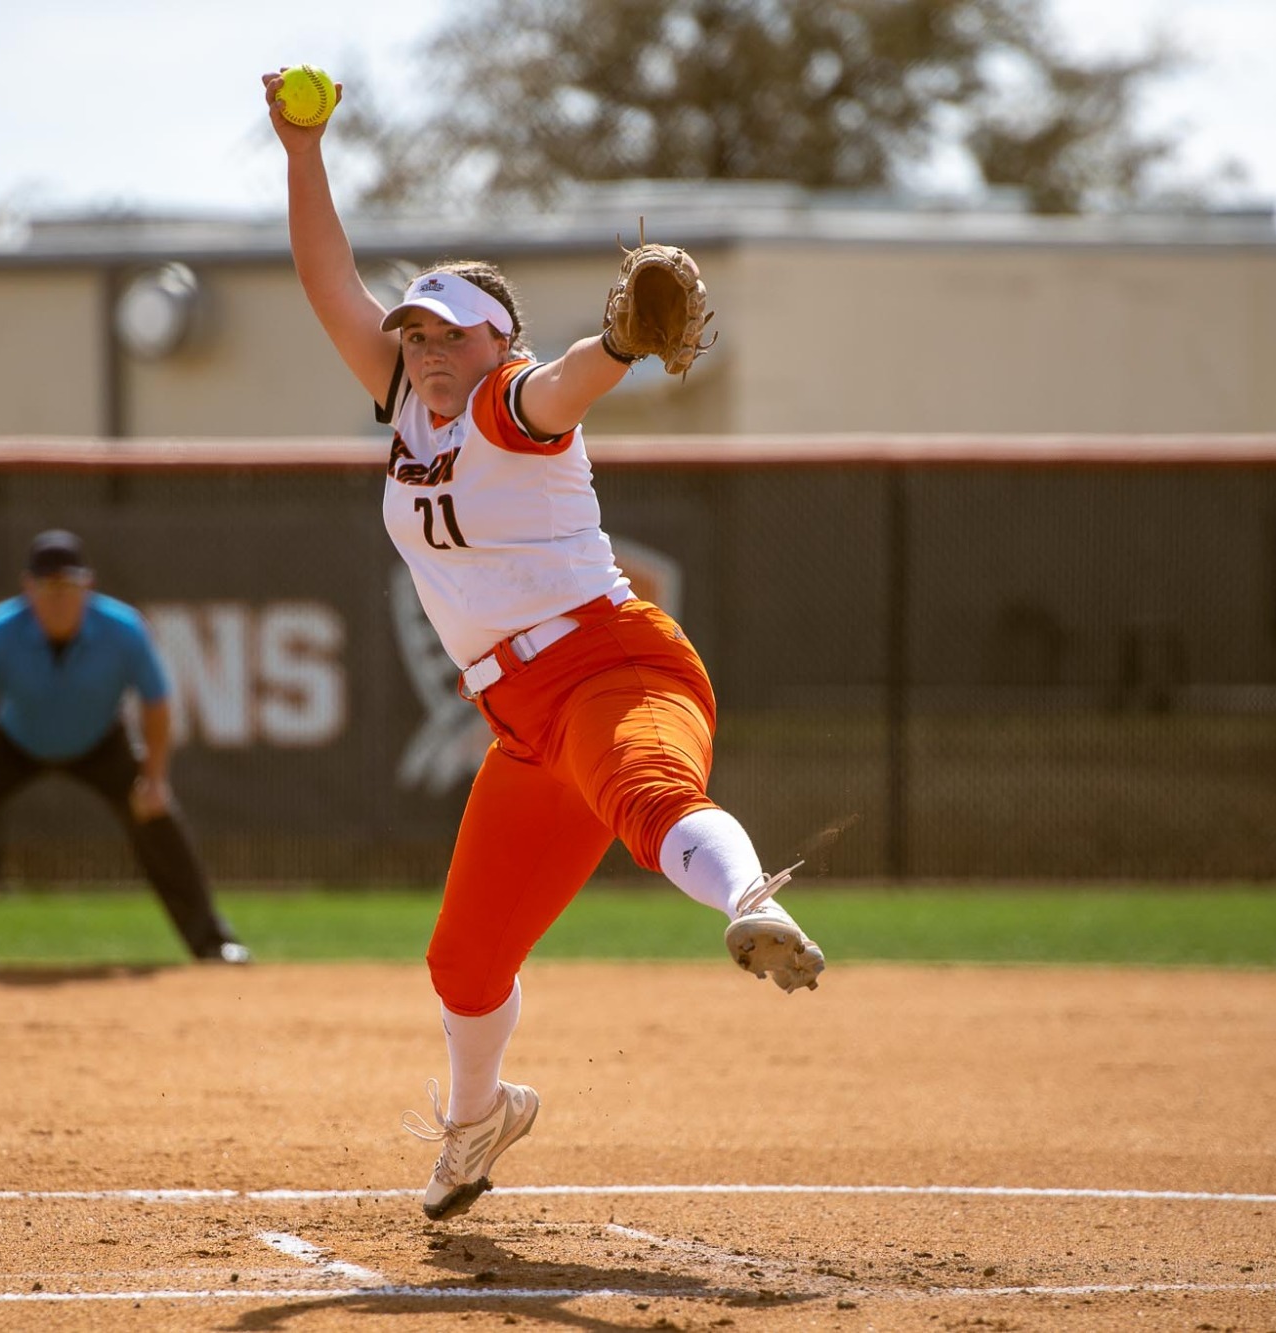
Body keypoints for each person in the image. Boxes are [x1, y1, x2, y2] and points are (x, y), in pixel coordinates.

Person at [264, 71, 825, 1221]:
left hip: (614, 667)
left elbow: (567, 384)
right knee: (462, 962)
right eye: (412, 329)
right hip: (522, 721)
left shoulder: (506, 398)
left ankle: (748, 903)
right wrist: (301, 148)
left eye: (447, 331)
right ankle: (476, 1123)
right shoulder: (410, 405)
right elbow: (327, 280)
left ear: (494, 340)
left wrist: (617, 341)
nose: (422, 345)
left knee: (648, 790)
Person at [0, 530, 249, 967]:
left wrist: (155, 778)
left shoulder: (122, 629)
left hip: (99, 740)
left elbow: (157, 703)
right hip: (12, 741)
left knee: (156, 814)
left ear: (87, 585)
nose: (57, 598)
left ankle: (212, 942)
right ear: (27, 587)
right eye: (47, 586)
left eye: (67, 586)